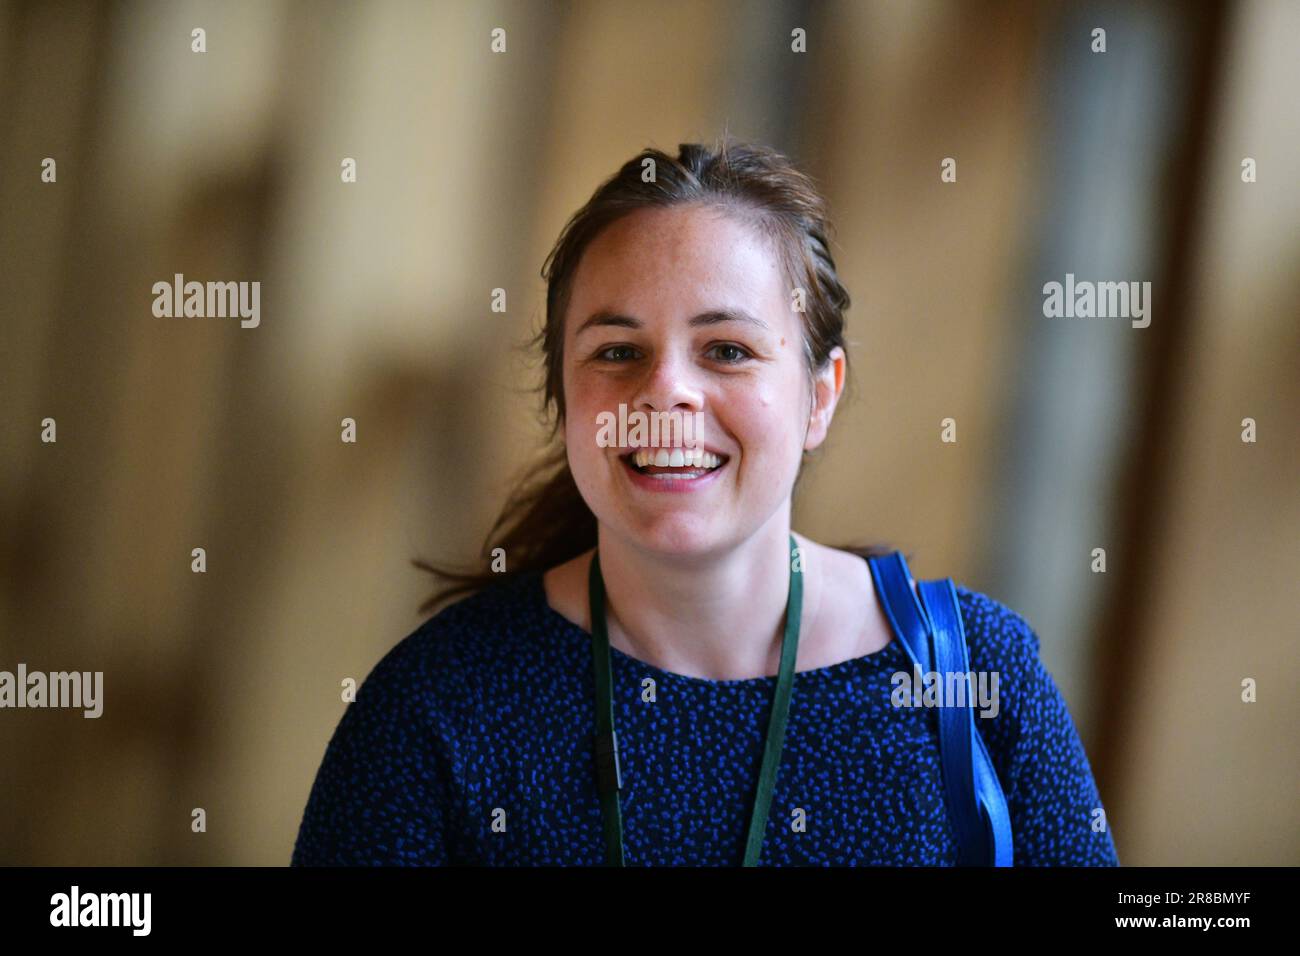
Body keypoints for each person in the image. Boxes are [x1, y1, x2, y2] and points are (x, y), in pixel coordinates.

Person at [291, 138, 1120, 866]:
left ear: (820, 395)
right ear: (562, 400)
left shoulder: (973, 673)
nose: (667, 394)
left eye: (727, 349)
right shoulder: (436, 707)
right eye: (618, 352)